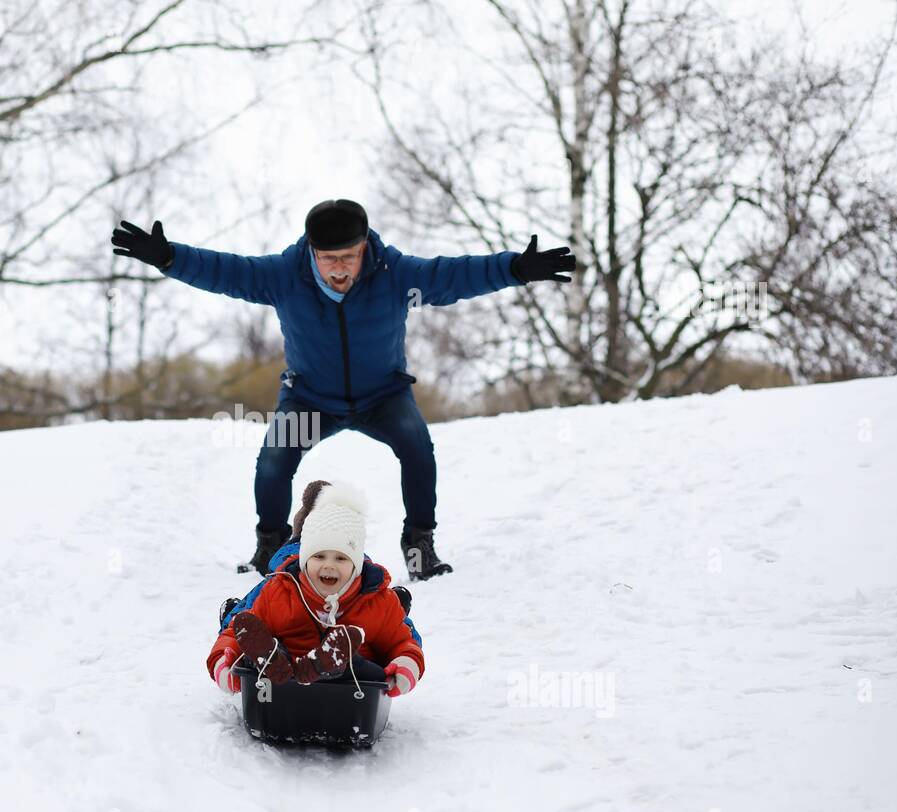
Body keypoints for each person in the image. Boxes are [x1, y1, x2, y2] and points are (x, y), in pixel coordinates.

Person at [112, 199, 575, 580]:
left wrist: (514, 267)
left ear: (364, 249)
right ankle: (270, 549)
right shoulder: (283, 276)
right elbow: (228, 271)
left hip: (383, 396)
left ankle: (419, 545)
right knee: (273, 460)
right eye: (329, 259)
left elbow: (451, 275)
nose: (340, 269)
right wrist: (170, 258)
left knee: (418, 447)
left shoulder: (394, 274)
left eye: (349, 257)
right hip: (310, 398)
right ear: (312, 252)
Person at [206, 480, 424, 698]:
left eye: (341, 558)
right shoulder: (279, 593)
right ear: (304, 560)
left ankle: (336, 661)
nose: (329, 565)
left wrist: (405, 664)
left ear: (357, 566)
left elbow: (402, 642)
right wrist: (224, 661)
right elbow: (236, 631)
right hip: (284, 680)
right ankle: (269, 656)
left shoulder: (378, 602)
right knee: (258, 654)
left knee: (364, 665)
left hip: (351, 690)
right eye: (319, 556)